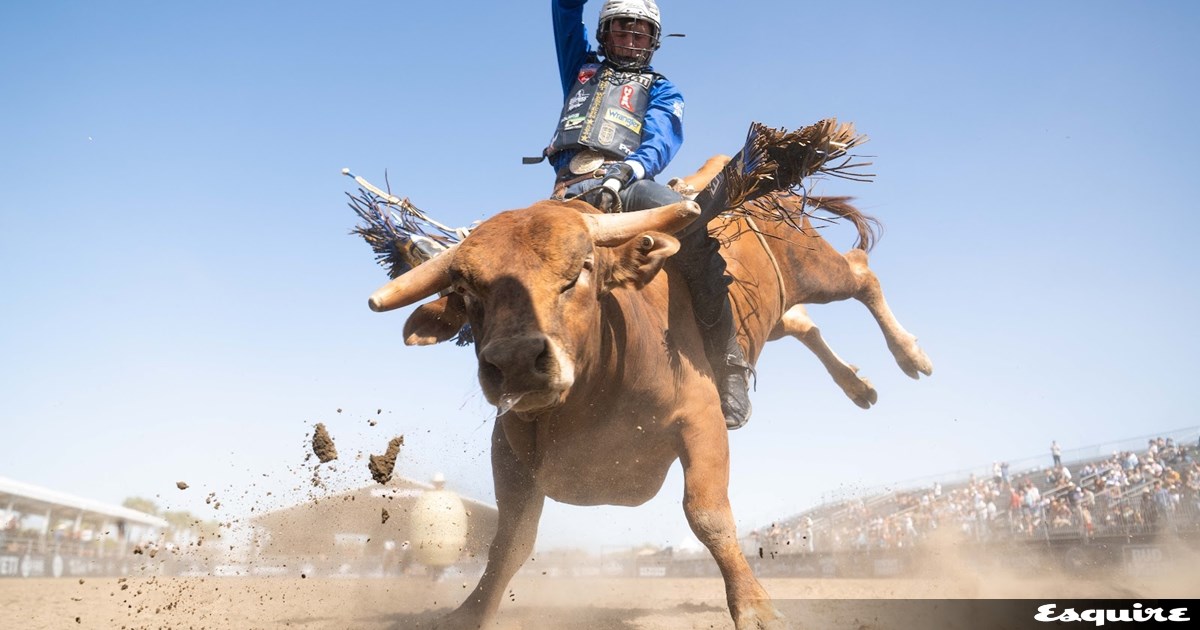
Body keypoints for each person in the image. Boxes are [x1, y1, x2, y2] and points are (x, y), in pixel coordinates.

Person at [540, 0, 752, 428]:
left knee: (687, 221)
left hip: (629, 185)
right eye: (621, 31)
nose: (630, 40)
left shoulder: (664, 89)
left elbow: (661, 138)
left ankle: (729, 365)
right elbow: (564, 9)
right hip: (568, 191)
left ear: (653, 42)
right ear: (604, 34)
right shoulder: (579, 67)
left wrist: (627, 171)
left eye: (640, 34)